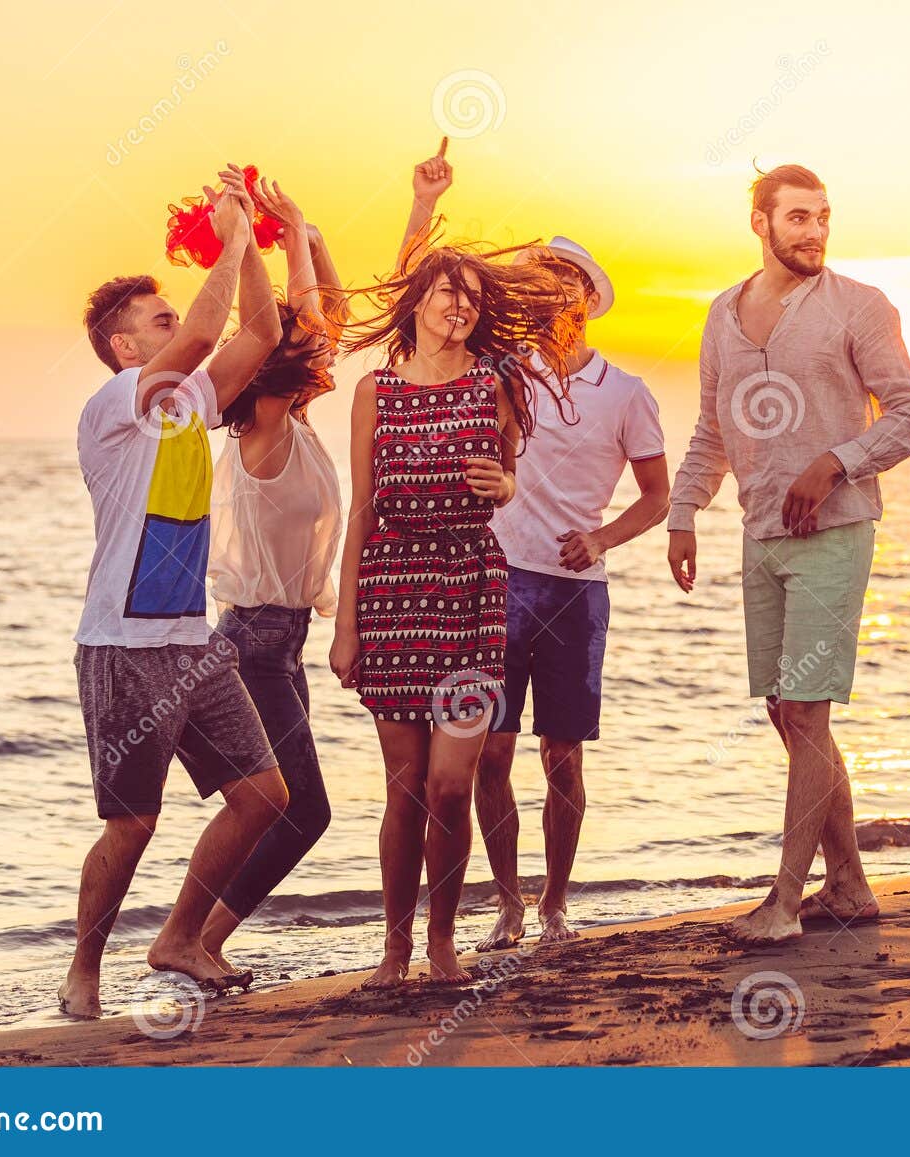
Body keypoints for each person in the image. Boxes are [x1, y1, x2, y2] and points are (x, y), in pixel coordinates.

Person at [401, 143, 671, 950]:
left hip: (575, 594)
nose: (550, 288)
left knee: (563, 759)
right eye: (539, 275)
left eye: (564, 278)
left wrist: (603, 535)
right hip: (497, 583)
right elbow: (420, 295)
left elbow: (657, 497)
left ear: (588, 296)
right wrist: (424, 203)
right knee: (489, 754)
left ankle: (555, 903)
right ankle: (509, 903)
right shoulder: (502, 367)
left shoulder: (626, 393)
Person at [667, 164, 910, 946]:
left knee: (808, 713)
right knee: (787, 713)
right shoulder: (721, 315)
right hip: (760, 533)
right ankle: (848, 885)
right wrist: (683, 510)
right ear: (760, 222)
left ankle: (783, 902)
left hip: (836, 531)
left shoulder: (860, 307)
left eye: (822, 216)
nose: (814, 231)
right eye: (797, 218)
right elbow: (713, 431)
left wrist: (837, 461)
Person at [63, 166, 289, 1018]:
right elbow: (198, 333)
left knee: (264, 796)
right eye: (154, 320)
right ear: (125, 347)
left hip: (191, 641)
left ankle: (179, 938)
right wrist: (228, 237)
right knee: (133, 824)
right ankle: (82, 971)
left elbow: (258, 330)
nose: (176, 323)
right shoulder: (117, 402)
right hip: (120, 643)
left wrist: (256, 238)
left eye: (169, 313)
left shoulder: (195, 397)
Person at [328, 230, 573, 986]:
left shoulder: (494, 382)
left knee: (450, 784)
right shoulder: (376, 390)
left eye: (471, 294)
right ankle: (395, 948)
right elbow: (361, 508)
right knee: (404, 788)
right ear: (419, 301)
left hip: (469, 585)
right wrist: (345, 623)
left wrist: (503, 488)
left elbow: (506, 479)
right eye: (447, 290)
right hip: (391, 588)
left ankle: (442, 940)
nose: (460, 304)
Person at [198, 177, 347, 977]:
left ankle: (197, 939)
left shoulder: (296, 427)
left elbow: (311, 331)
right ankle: (197, 940)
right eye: (297, 354)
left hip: (279, 642)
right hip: (251, 645)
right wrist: (277, 239)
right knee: (299, 809)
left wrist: (299, 233)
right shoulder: (262, 432)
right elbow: (297, 334)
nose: (318, 355)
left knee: (280, 808)